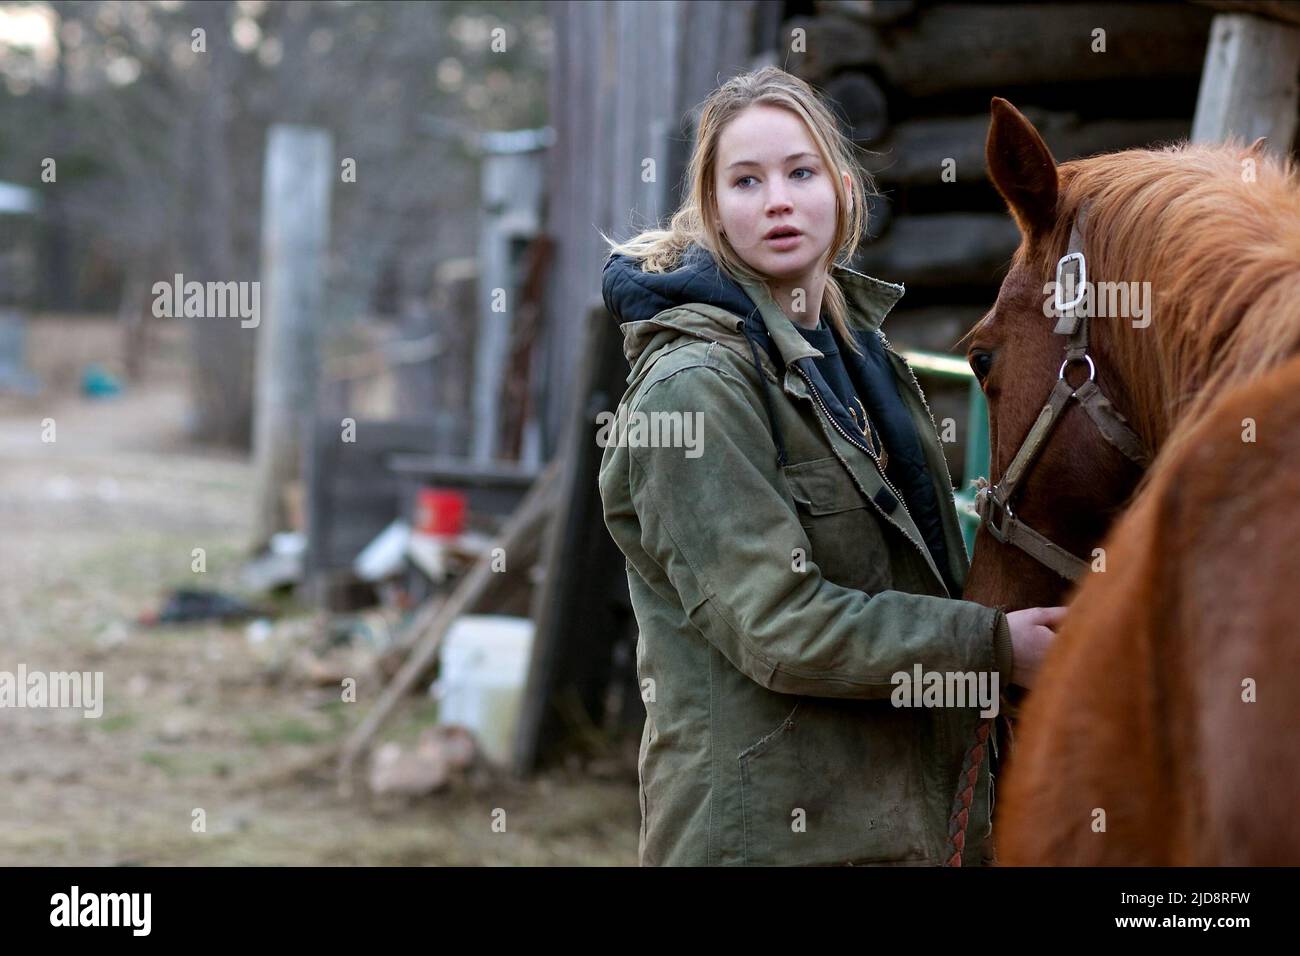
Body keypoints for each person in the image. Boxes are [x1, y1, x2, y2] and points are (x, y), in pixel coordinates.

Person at [597, 65, 1065, 866]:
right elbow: (779, 626)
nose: (777, 199)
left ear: (844, 192)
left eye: (800, 172)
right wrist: (989, 646)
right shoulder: (694, 392)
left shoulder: (861, 359)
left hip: (902, 828)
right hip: (770, 840)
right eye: (746, 181)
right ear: (711, 210)